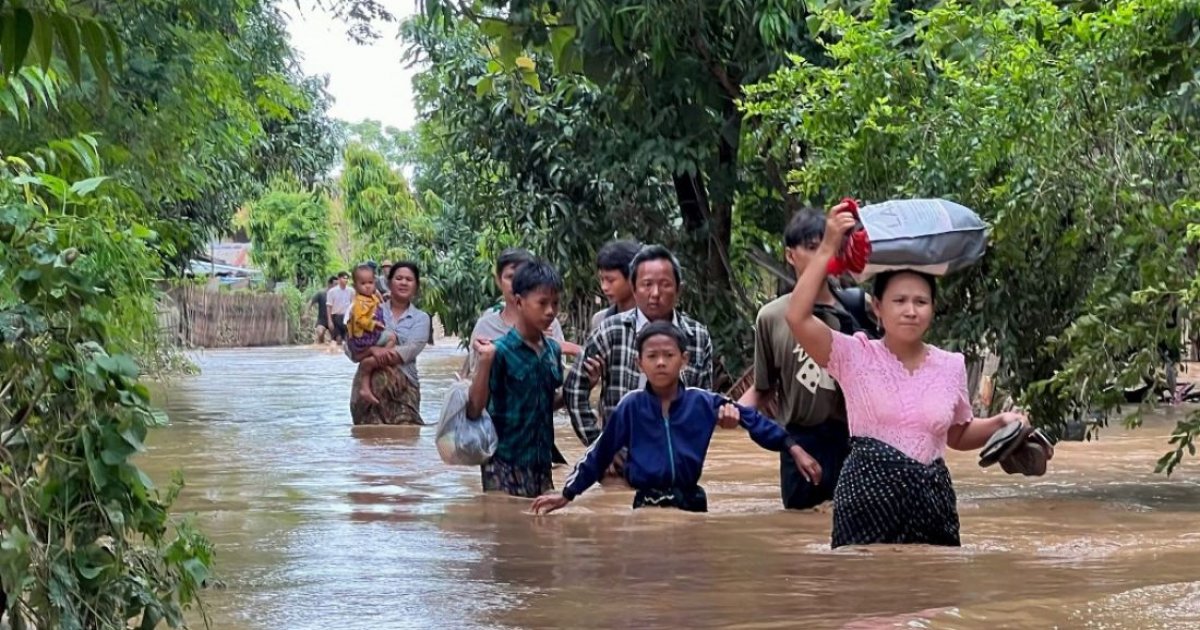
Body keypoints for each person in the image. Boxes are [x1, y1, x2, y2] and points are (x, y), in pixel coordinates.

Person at [785, 203, 1040, 548]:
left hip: (932, 504)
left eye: (921, 301)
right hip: (865, 501)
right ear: (877, 307)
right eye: (899, 300)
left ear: (933, 309)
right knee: (864, 597)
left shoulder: (950, 365)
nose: (910, 310)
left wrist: (999, 423)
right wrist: (828, 247)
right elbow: (797, 317)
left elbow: (957, 435)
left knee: (932, 599)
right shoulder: (853, 354)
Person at [532, 322, 820, 514]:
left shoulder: (703, 402)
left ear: (683, 360)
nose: (660, 362)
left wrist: (793, 448)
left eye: (668, 355)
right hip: (646, 503)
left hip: (692, 502)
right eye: (652, 356)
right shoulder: (630, 406)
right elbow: (600, 452)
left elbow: (754, 421)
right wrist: (567, 494)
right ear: (639, 363)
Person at [738, 209, 860, 511]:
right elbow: (764, 389)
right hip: (800, 446)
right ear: (790, 255)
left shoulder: (860, 308)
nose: (820, 255)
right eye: (810, 247)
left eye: (826, 246)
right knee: (799, 533)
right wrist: (731, 412)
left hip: (853, 442)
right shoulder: (772, 317)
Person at [565, 245, 713, 457]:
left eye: (664, 285)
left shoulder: (697, 337)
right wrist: (601, 449)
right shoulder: (611, 330)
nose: (655, 294)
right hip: (620, 463)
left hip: (675, 462)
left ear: (679, 289)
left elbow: (702, 406)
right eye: (647, 285)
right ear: (634, 288)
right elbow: (574, 388)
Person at [466, 259, 565, 498]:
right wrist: (485, 363)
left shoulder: (553, 350)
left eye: (555, 303)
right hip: (503, 464)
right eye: (542, 303)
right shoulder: (498, 351)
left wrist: (577, 389)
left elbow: (545, 404)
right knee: (506, 530)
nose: (550, 311)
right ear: (519, 302)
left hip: (541, 465)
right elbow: (474, 410)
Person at [461, 248, 581, 380]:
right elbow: (476, 380)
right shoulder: (485, 326)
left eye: (523, 277)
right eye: (511, 277)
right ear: (498, 281)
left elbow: (556, 380)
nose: (516, 283)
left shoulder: (549, 322)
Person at [348, 262, 433, 425]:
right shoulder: (368, 309)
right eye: (398, 278)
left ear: (416, 286)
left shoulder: (421, 318)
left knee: (404, 439)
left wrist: (372, 359)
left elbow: (409, 350)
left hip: (404, 391)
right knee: (367, 440)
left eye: (409, 279)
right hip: (366, 391)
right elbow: (351, 350)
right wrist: (372, 349)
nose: (403, 282)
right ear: (388, 283)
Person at [345, 265, 396, 405]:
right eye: (363, 283)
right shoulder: (358, 303)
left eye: (370, 283)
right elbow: (359, 319)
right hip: (365, 338)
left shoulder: (371, 297)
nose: (367, 286)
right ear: (355, 286)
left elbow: (380, 307)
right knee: (392, 338)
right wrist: (373, 324)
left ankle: (381, 359)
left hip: (370, 336)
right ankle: (384, 356)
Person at [590, 239, 642, 331]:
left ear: (632, 278)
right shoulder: (600, 320)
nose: (604, 287)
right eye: (602, 279)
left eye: (610, 280)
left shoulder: (649, 319)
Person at [326, 271, 354, 345]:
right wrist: (329, 321)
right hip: (336, 317)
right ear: (339, 279)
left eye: (347, 278)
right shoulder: (332, 292)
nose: (346, 280)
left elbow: (353, 305)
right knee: (338, 339)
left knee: (348, 338)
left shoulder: (351, 291)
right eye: (344, 278)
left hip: (347, 317)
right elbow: (329, 306)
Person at [310, 275, 336, 344]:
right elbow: (311, 302)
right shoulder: (321, 293)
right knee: (320, 332)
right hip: (322, 320)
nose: (336, 286)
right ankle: (321, 346)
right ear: (329, 284)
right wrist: (306, 312)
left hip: (334, 320)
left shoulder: (337, 294)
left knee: (337, 339)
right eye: (335, 284)